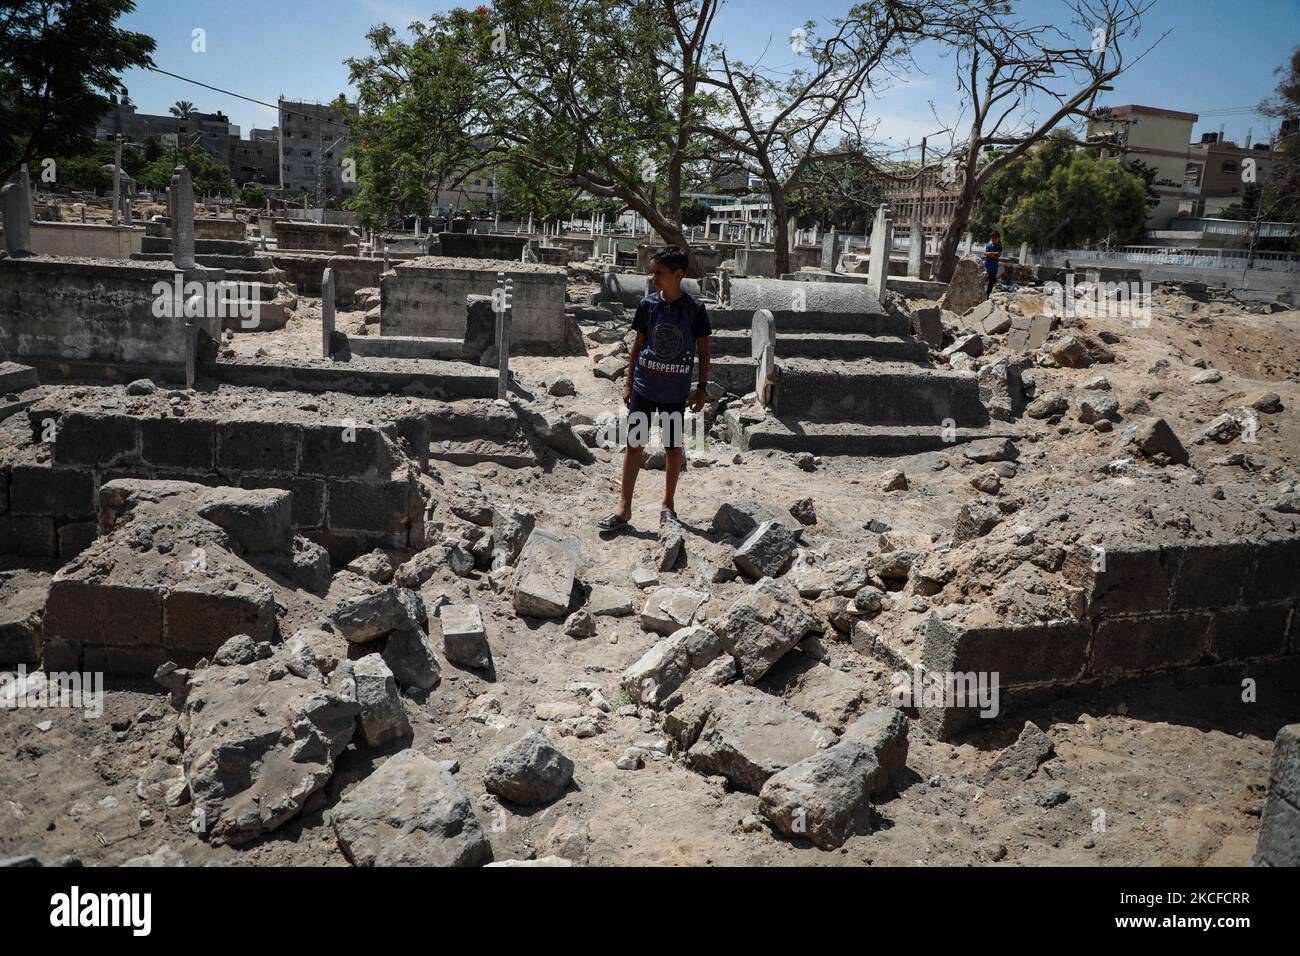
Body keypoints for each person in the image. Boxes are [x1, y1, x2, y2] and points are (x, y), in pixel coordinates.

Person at [598, 247, 711, 532]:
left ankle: (668, 505)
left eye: (659, 273)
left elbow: (704, 351)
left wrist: (701, 389)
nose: (653, 278)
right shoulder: (648, 305)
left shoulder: (695, 310)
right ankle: (623, 508)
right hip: (644, 389)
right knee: (634, 446)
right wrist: (628, 381)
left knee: (673, 449)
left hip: (675, 394)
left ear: (678, 275)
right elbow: (638, 344)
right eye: (652, 272)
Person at [983, 231, 1002, 298]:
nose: (993, 239)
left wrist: (989, 254)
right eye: (992, 238)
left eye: (995, 238)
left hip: (993, 268)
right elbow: (985, 253)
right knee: (983, 281)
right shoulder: (988, 245)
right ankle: (981, 293)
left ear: (998, 238)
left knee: (991, 283)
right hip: (986, 266)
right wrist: (994, 253)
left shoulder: (999, 246)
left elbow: (998, 255)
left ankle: (987, 295)